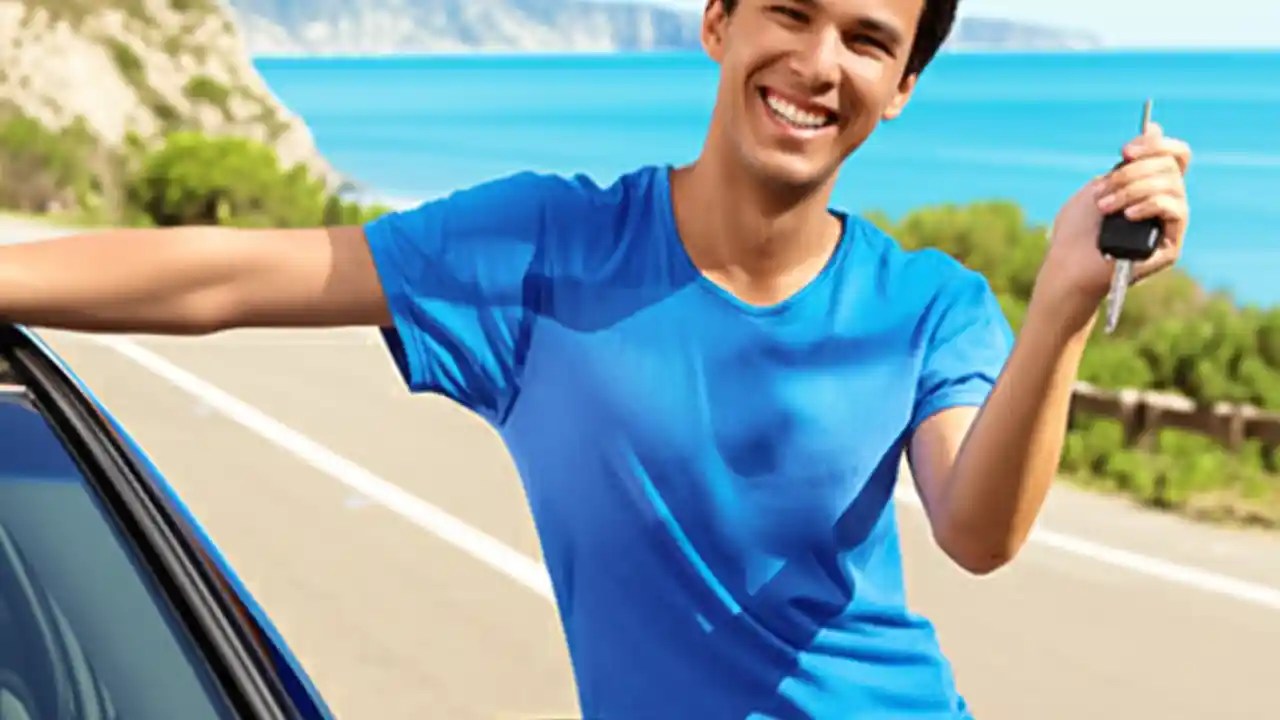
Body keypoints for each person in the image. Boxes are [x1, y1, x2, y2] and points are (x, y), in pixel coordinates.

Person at [0, 0, 1192, 717]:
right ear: (718, 19)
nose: (820, 61)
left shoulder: (928, 304)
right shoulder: (541, 249)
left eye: (867, 40)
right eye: (787, 9)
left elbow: (977, 533)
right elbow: (228, 277)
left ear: (901, 88)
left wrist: (1064, 306)